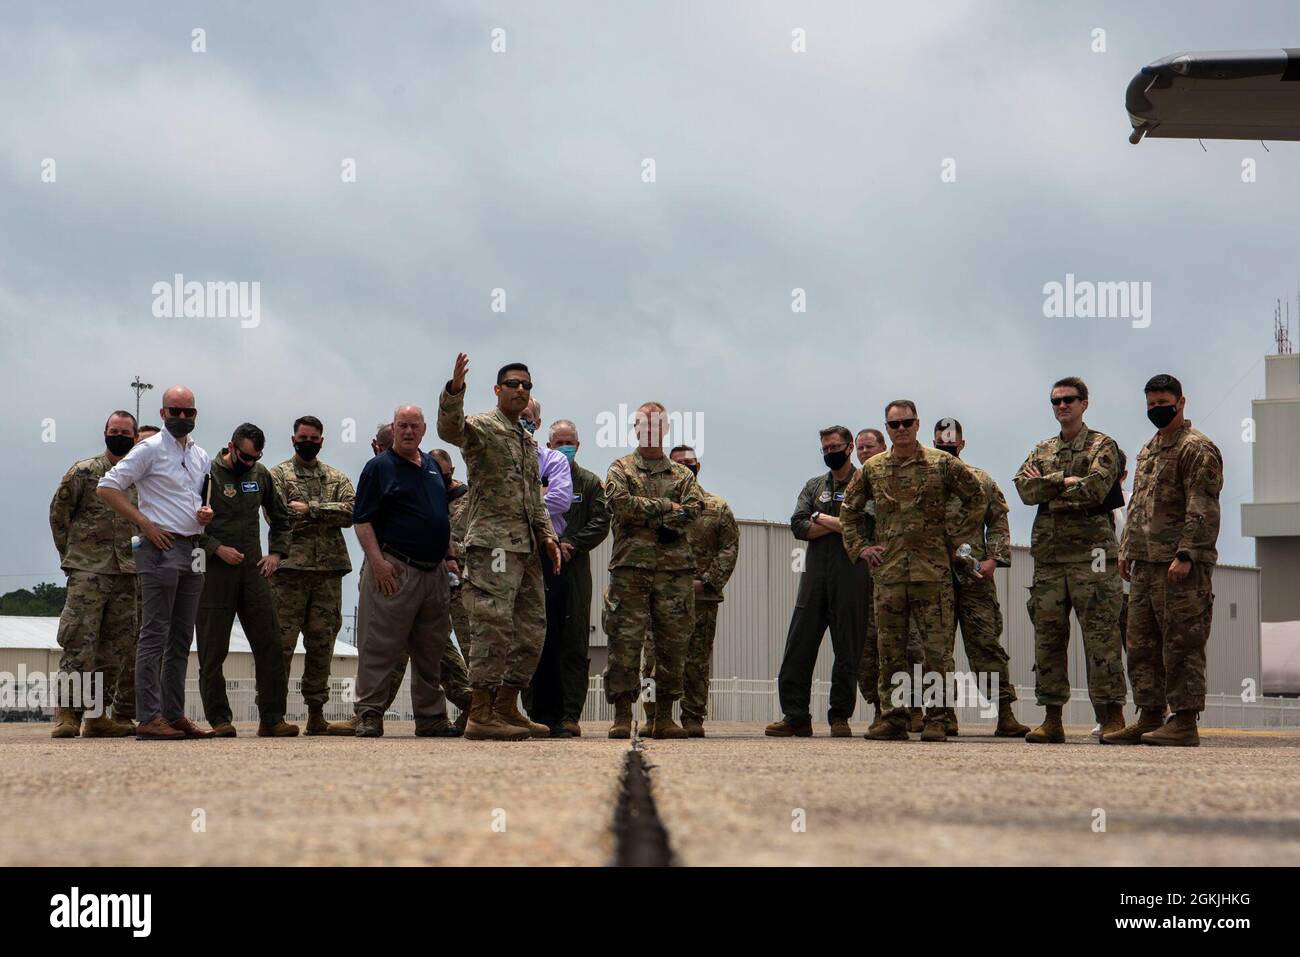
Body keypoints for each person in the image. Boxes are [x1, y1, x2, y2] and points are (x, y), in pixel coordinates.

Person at [841, 401, 985, 742]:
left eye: (906, 422)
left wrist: (955, 540)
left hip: (932, 574)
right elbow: (849, 510)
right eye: (894, 424)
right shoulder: (873, 469)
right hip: (889, 574)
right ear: (887, 428)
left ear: (917, 423)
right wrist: (861, 547)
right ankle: (893, 716)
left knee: (936, 652)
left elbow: (976, 498)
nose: (901, 429)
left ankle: (937, 718)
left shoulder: (942, 464)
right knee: (890, 649)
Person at [437, 355, 561, 740]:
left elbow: (533, 498)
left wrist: (547, 535)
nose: (520, 389)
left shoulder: (526, 439)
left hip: (525, 547)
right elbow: (449, 430)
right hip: (492, 545)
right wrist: (454, 391)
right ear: (497, 390)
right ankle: (481, 713)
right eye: (512, 383)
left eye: (526, 384)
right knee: (492, 628)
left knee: (531, 630)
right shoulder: (483, 427)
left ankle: (507, 705)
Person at [1105, 374, 1223, 747]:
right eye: (1152, 405)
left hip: (1179, 566)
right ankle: (1150, 714)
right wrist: (1127, 551)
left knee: (1181, 641)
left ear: (1181, 402)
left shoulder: (1196, 449)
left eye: (1163, 403)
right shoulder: (1149, 449)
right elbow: (1138, 505)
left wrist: (1187, 553)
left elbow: (1202, 505)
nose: (1157, 410)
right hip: (1144, 564)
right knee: (1141, 642)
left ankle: (1185, 721)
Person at [96, 386, 215, 740]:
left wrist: (206, 514)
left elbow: (195, 498)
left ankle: (173, 713)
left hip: (193, 548)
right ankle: (148, 717)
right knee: (155, 634)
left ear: (195, 414)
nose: (181, 418)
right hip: (160, 548)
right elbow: (107, 487)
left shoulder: (200, 455)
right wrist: (144, 524)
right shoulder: (148, 449)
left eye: (187, 412)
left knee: (181, 637)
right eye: (174, 412)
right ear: (162, 414)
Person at [1014, 376, 1127, 744]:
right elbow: (1024, 489)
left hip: (1093, 559)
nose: (1062, 406)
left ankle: (1111, 716)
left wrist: (1050, 487)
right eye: (1056, 401)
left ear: (1084, 403)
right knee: (1047, 639)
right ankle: (1052, 718)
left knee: (1101, 639)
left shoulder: (1102, 446)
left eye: (1069, 400)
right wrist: (1064, 481)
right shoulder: (1042, 449)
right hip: (1049, 559)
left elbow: (1097, 488)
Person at [351, 405, 458, 737]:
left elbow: (441, 517)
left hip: (434, 572)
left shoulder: (431, 467)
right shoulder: (378, 468)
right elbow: (362, 519)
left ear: (424, 430)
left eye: (414, 426)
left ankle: (431, 718)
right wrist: (378, 563)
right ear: (393, 430)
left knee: (431, 649)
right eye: (402, 426)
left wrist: (450, 557)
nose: (408, 431)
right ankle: (369, 713)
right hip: (394, 569)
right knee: (380, 646)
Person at [603, 402, 704, 738]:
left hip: (674, 573)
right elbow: (619, 504)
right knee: (624, 643)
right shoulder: (620, 468)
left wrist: (647, 515)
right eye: (643, 425)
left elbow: (693, 511)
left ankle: (663, 715)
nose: (649, 431)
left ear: (665, 429)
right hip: (631, 570)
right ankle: (621, 713)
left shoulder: (683, 475)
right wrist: (664, 507)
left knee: (672, 645)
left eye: (655, 425)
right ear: (635, 428)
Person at [766, 426, 869, 738]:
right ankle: (796, 716)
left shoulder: (866, 482)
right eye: (825, 448)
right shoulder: (814, 485)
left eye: (835, 447)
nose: (829, 453)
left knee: (847, 650)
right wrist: (840, 525)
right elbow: (798, 525)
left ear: (849, 447)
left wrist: (820, 519)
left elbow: (865, 525)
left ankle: (839, 717)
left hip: (851, 575)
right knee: (798, 647)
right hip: (814, 578)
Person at [194, 423, 297, 737]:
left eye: (255, 458)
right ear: (231, 446)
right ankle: (220, 719)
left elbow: (281, 517)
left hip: (253, 572)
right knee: (213, 650)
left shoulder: (260, 475)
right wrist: (216, 549)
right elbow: (184, 523)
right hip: (213, 572)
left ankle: (272, 718)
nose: (249, 463)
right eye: (245, 457)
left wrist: (277, 554)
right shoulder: (205, 474)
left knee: (270, 644)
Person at [932, 418, 1029, 737]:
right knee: (935, 648)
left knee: (986, 644)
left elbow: (998, 520)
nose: (945, 445)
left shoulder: (980, 480)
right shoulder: (924, 481)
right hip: (934, 577)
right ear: (933, 443)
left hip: (974, 577)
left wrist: (993, 559)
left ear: (962, 443)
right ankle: (942, 714)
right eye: (940, 440)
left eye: (951, 440)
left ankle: (1004, 712)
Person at [47, 410, 141, 738]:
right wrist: (71, 557)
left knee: (116, 647)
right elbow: (59, 515)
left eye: (125, 431)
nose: (119, 435)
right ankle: (69, 715)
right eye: (113, 430)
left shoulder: (141, 477)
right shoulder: (84, 472)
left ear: (134, 437)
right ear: (105, 433)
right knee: (78, 642)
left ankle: (98, 716)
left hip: (127, 572)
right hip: (88, 571)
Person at [641, 445, 738, 737]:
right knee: (653, 662)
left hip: (702, 598)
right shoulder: (657, 505)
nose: (686, 467)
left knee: (696, 662)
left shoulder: (717, 507)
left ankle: (693, 717)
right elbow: (642, 543)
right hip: (661, 597)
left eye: (690, 463)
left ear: (699, 466)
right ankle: (652, 716)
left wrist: (708, 581)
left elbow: (729, 548)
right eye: (680, 463)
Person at [269, 416, 356, 736]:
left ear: (322, 441)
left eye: (314, 437)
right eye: (303, 436)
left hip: (328, 574)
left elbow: (351, 512)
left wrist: (310, 509)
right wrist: (322, 513)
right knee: (280, 646)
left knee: (322, 645)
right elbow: (279, 513)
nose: (308, 441)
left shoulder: (336, 476)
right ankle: (273, 714)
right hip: (289, 572)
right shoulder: (277, 474)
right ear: (294, 438)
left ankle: (316, 714)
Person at [852, 427, 924, 731]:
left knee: (912, 649)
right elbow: (847, 517)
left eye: (870, 446)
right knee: (869, 650)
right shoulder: (863, 480)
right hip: (868, 582)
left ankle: (917, 709)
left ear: (883, 445)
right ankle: (883, 709)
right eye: (860, 448)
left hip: (907, 576)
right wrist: (861, 548)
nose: (864, 452)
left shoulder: (900, 476)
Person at [543, 419, 609, 737]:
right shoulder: (538, 478)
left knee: (574, 641)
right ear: (548, 445)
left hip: (575, 571)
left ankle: (570, 714)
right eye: (558, 443)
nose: (564, 448)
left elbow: (601, 522)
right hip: (541, 567)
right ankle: (539, 713)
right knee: (540, 640)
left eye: (570, 443)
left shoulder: (590, 482)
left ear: (578, 446)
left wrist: (572, 543)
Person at [519, 398, 575, 736]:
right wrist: (538, 493)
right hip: (507, 551)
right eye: (518, 416)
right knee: (505, 634)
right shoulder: (495, 454)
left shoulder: (553, 459)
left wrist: (523, 499)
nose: (522, 421)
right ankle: (503, 711)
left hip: (546, 551)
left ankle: (549, 716)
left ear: (538, 424)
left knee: (549, 635)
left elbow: (561, 499)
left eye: (528, 417)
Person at [118, 424, 162, 729]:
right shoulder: (118, 476)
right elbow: (61, 519)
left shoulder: (163, 481)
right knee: (115, 643)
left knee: (149, 644)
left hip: (154, 572)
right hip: (114, 572)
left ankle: (129, 712)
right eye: (140, 442)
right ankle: (93, 715)